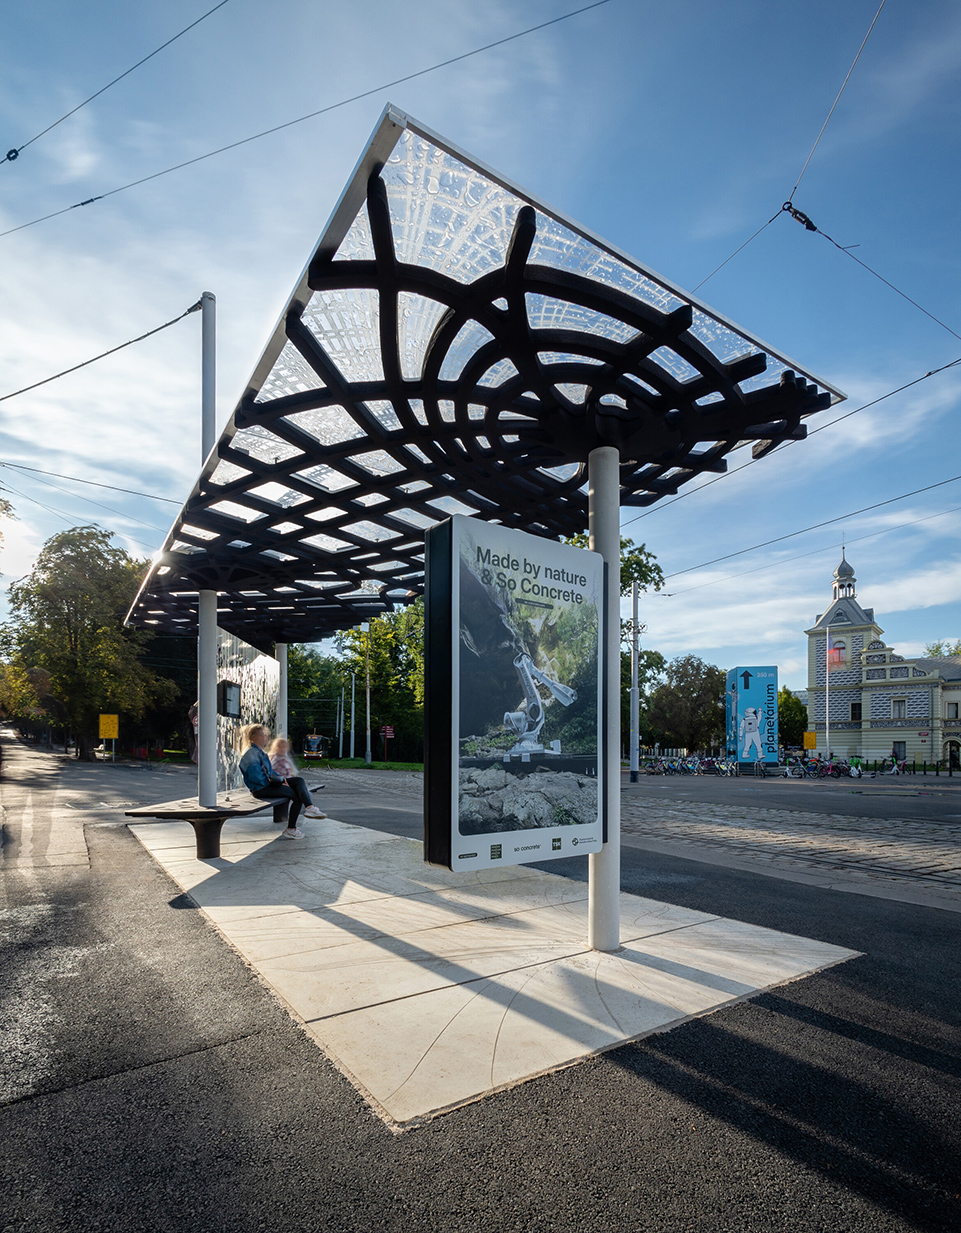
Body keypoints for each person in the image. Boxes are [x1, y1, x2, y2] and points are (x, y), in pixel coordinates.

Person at [237, 725, 322, 840]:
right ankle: (291, 829)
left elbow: (271, 772)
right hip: (261, 789)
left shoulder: (259, 752)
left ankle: (309, 807)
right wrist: (278, 783)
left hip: (267, 785)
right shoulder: (251, 754)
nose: (266, 738)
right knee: (297, 796)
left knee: (298, 781)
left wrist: (283, 779)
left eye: (266, 735)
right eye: (263, 735)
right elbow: (257, 778)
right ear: (253, 737)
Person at [267, 736, 326, 821]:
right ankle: (304, 814)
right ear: (274, 748)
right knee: (302, 793)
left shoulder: (284, 758)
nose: (282, 749)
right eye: (279, 747)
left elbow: (292, 772)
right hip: (281, 783)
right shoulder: (275, 759)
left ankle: (306, 812)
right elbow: (272, 774)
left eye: (284, 747)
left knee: (304, 791)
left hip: (288, 782)